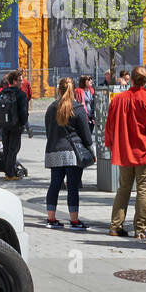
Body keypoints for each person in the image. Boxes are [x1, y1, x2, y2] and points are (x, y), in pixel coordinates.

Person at [104, 65, 146, 239]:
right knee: (143, 191)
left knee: (123, 189)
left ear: (131, 79)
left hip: (124, 151)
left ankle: (115, 226)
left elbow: (109, 125)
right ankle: (141, 228)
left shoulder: (118, 99)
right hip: (144, 151)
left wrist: (110, 144)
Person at [43, 77, 93, 230]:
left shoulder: (51, 108)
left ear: (59, 90)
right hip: (72, 153)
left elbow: (48, 130)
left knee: (54, 185)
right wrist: (91, 150)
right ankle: (74, 221)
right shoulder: (77, 108)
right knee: (72, 187)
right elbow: (86, 134)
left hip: (54, 151)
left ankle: (51, 219)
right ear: (73, 90)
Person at [0, 70, 29, 180]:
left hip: (4, 125)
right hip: (16, 125)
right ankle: (10, 174)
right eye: (20, 80)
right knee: (14, 149)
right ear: (14, 81)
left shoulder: (2, 93)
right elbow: (24, 112)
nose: (22, 82)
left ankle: (8, 171)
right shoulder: (21, 94)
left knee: (7, 149)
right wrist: (23, 123)